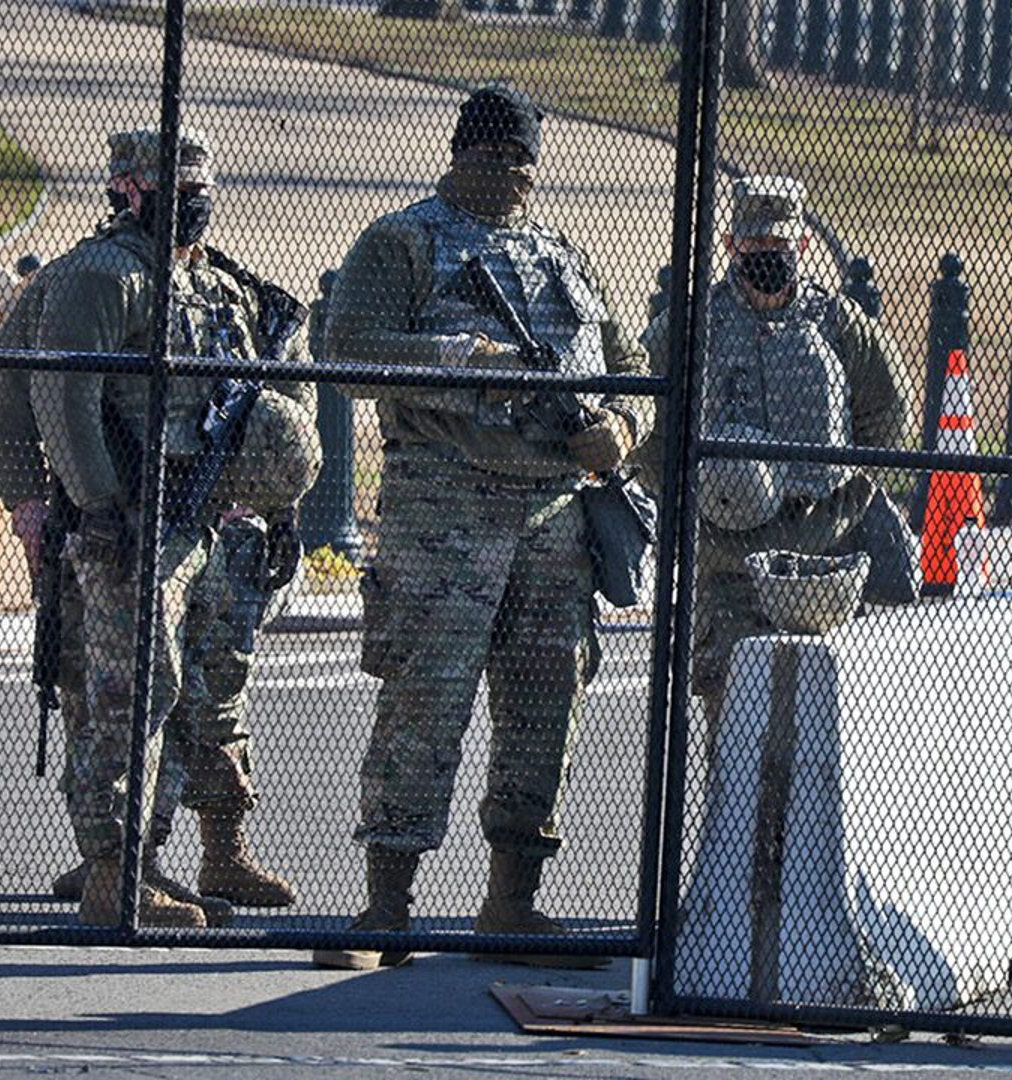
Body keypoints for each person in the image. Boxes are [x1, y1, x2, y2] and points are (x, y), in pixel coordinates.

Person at [318, 86, 653, 970]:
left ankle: (512, 901)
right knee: (424, 700)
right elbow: (346, 349)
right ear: (458, 151)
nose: (510, 171)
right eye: (493, 153)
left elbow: (631, 367)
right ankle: (385, 908)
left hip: (554, 513)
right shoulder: (404, 242)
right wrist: (464, 363)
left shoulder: (565, 256)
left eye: (523, 157)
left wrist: (621, 427)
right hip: (444, 502)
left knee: (546, 704)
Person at [28, 128, 316, 927]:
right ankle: (111, 873)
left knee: (191, 689)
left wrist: (279, 501)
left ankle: (147, 863)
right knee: (129, 690)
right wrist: (94, 503)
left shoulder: (218, 286)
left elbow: (260, 394)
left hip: (208, 519)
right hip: (130, 516)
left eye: (198, 183)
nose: (190, 198)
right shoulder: (102, 276)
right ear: (125, 188)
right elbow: (60, 396)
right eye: (167, 184)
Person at [639, 174, 909, 740]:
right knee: (734, 734)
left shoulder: (836, 322)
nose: (769, 256)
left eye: (780, 246)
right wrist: (689, 497)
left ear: (803, 246)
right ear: (733, 245)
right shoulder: (693, 327)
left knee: (821, 730)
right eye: (757, 246)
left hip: (822, 559)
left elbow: (887, 410)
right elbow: (648, 420)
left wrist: (847, 487)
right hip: (727, 563)